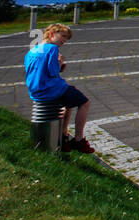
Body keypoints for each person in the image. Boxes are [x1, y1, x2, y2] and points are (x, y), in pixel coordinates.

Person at [24, 23, 94, 153]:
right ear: (51, 34)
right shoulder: (52, 49)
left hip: (35, 90)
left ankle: (63, 134)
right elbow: (52, 71)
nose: (64, 41)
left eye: (66, 39)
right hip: (51, 89)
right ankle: (78, 139)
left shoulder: (32, 50)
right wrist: (60, 63)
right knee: (84, 102)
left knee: (68, 103)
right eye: (62, 36)